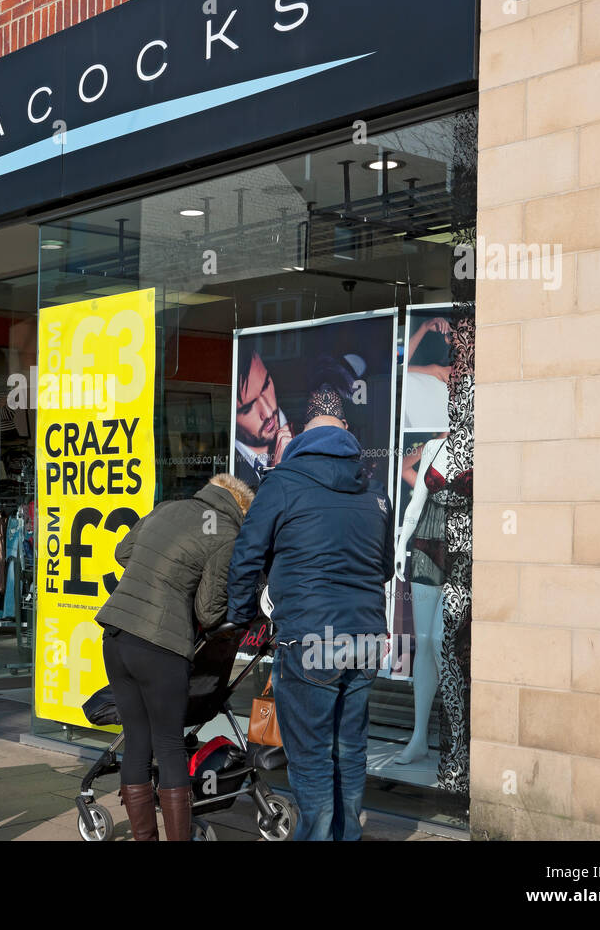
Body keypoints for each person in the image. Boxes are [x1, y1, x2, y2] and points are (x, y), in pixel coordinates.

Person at [226, 387, 394, 841]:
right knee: (349, 749)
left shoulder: (281, 483)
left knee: (313, 757)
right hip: (365, 640)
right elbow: (382, 568)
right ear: (345, 428)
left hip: (309, 640)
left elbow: (246, 558)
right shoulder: (374, 490)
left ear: (301, 430)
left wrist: (241, 620)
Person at [94, 473, 255, 841]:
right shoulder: (227, 534)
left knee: (136, 741)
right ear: (241, 507)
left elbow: (123, 552)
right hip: (160, 646)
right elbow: (209, 612)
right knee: (168, 746)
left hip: (116, 636)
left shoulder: (166, 508)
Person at [234, 338, 294, 490]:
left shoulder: (307, 426)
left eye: (266, 385)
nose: (267, 412)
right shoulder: (228, 469)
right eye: (248, 408)